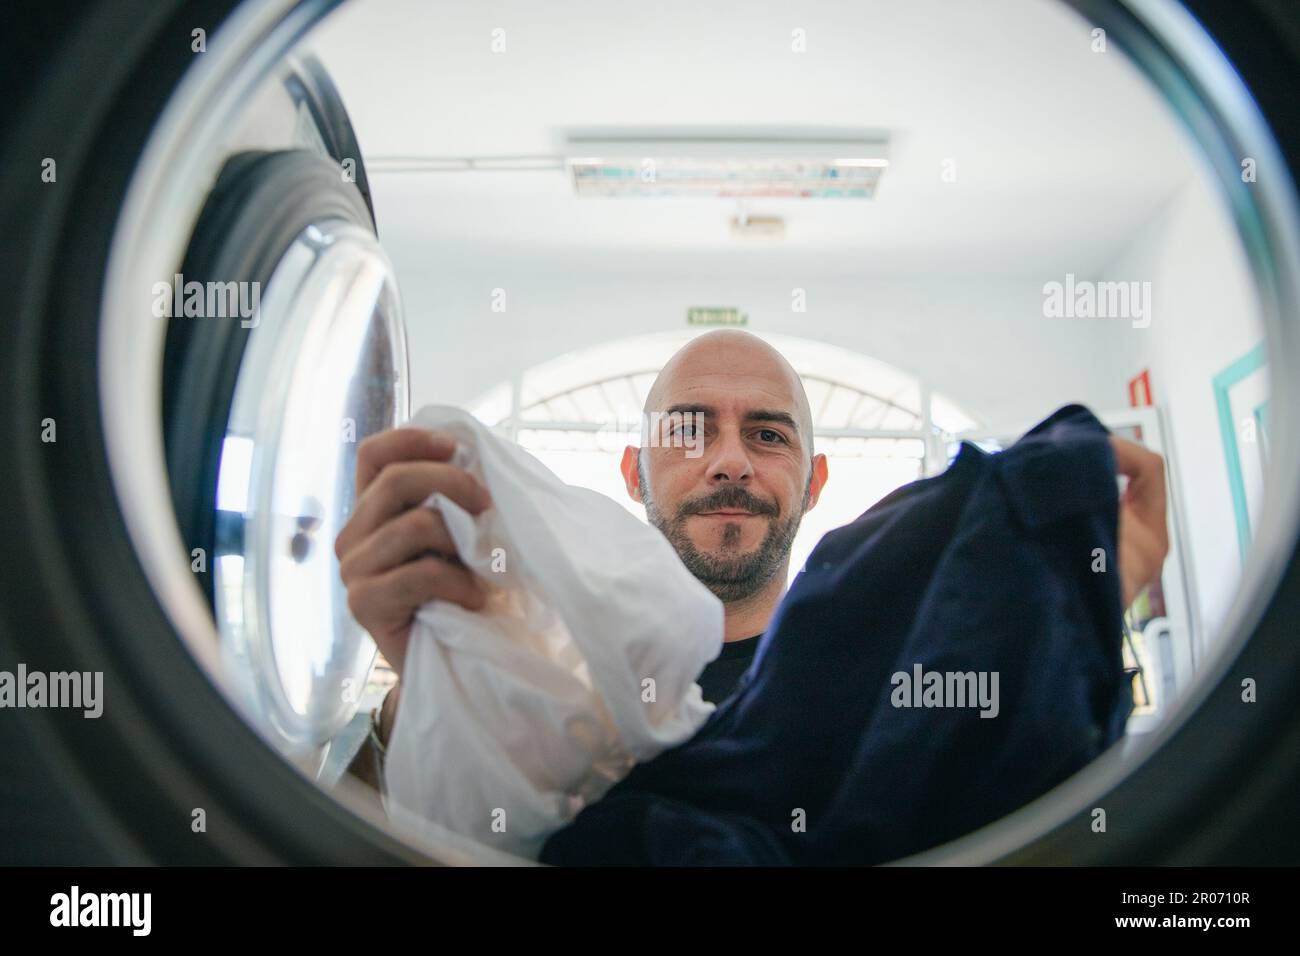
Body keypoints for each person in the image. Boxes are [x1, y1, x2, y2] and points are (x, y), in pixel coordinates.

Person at [337, 329, 1169, 791]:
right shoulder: (543, 668)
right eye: (689, 431)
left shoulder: (897, 669)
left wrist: (1063, 631)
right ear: (635, 473)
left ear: (815, 482)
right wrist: (431, 689)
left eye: (767, 435)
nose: (729, 461)